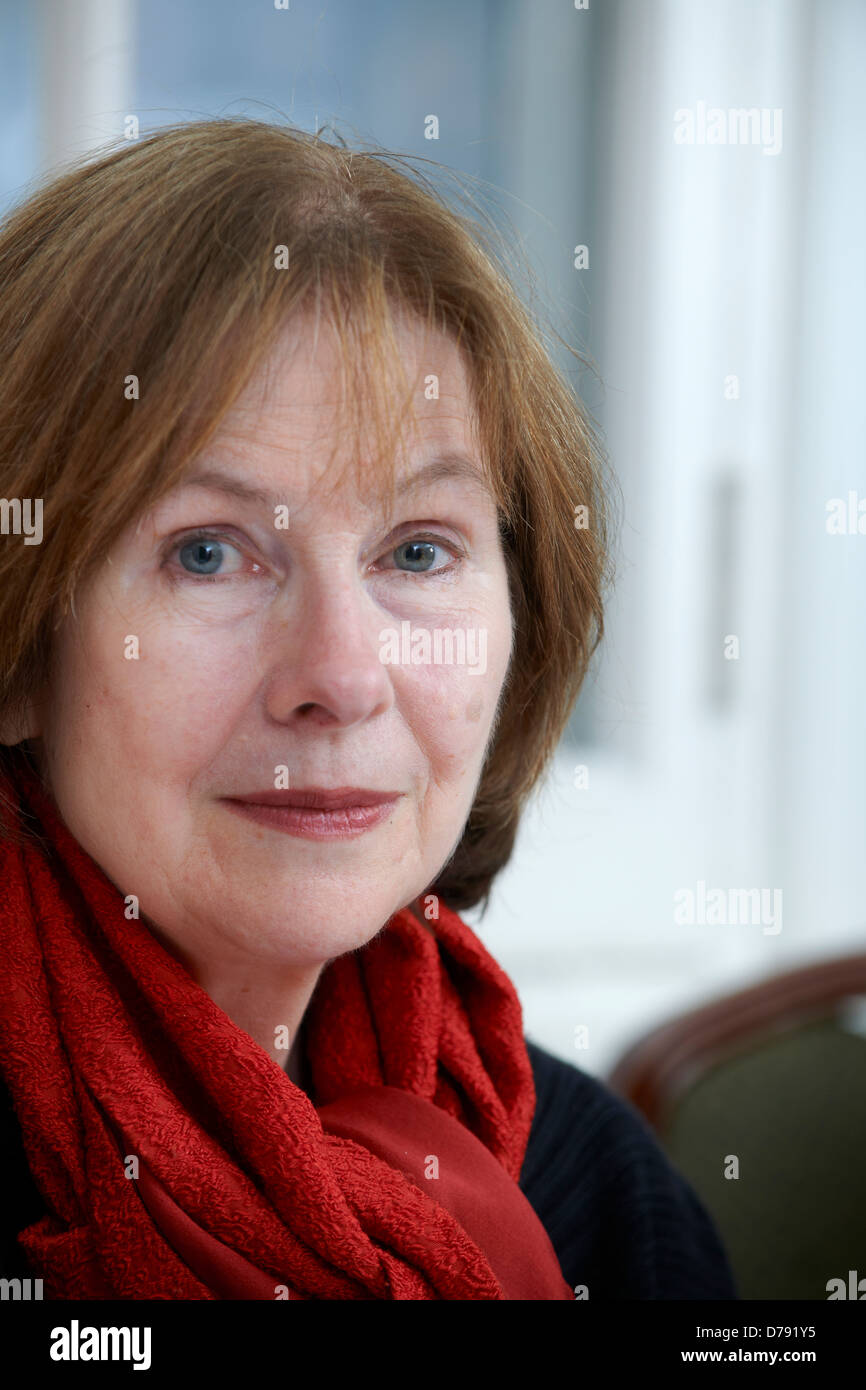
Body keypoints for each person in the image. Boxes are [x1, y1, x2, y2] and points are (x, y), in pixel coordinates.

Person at [0, 117, 736, 1300]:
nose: (339, 677)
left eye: (416, 550)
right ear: (20, 646)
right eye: (205, 553)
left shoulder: (591, 1187)